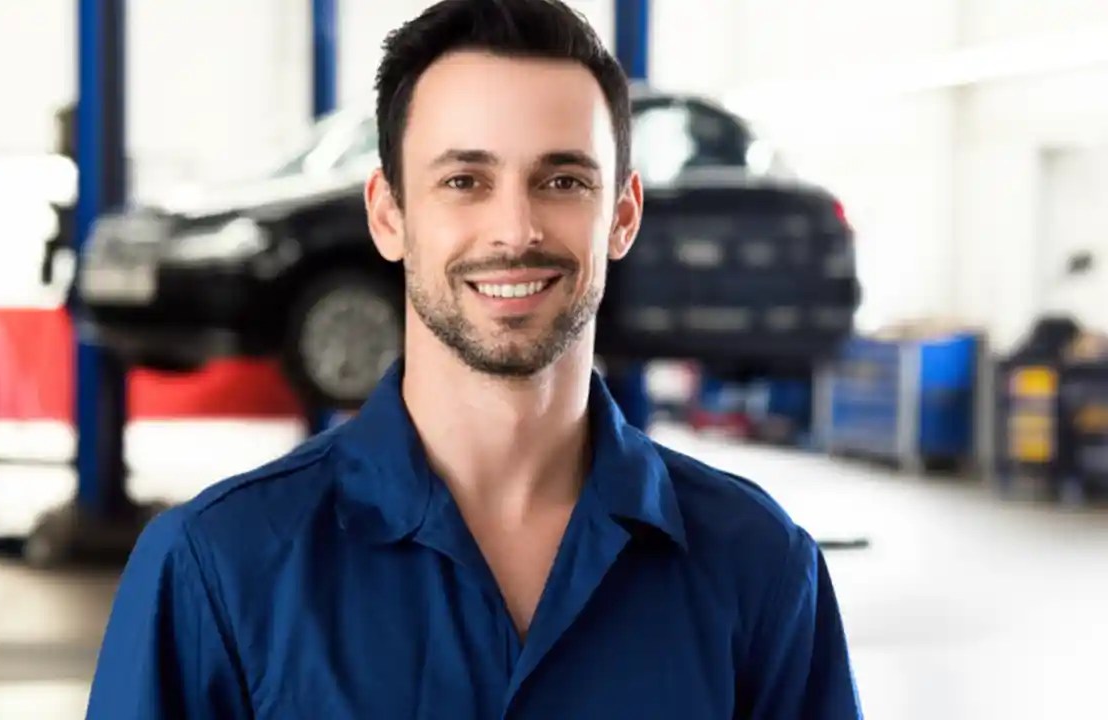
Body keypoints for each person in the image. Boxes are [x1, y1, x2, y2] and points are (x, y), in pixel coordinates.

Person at [85, 1, 863, 717]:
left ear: (622, 216)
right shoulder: (217, 570)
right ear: (389, 215)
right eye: (465, 180)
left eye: (562, 179)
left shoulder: (758, 566)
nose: (515, 227)